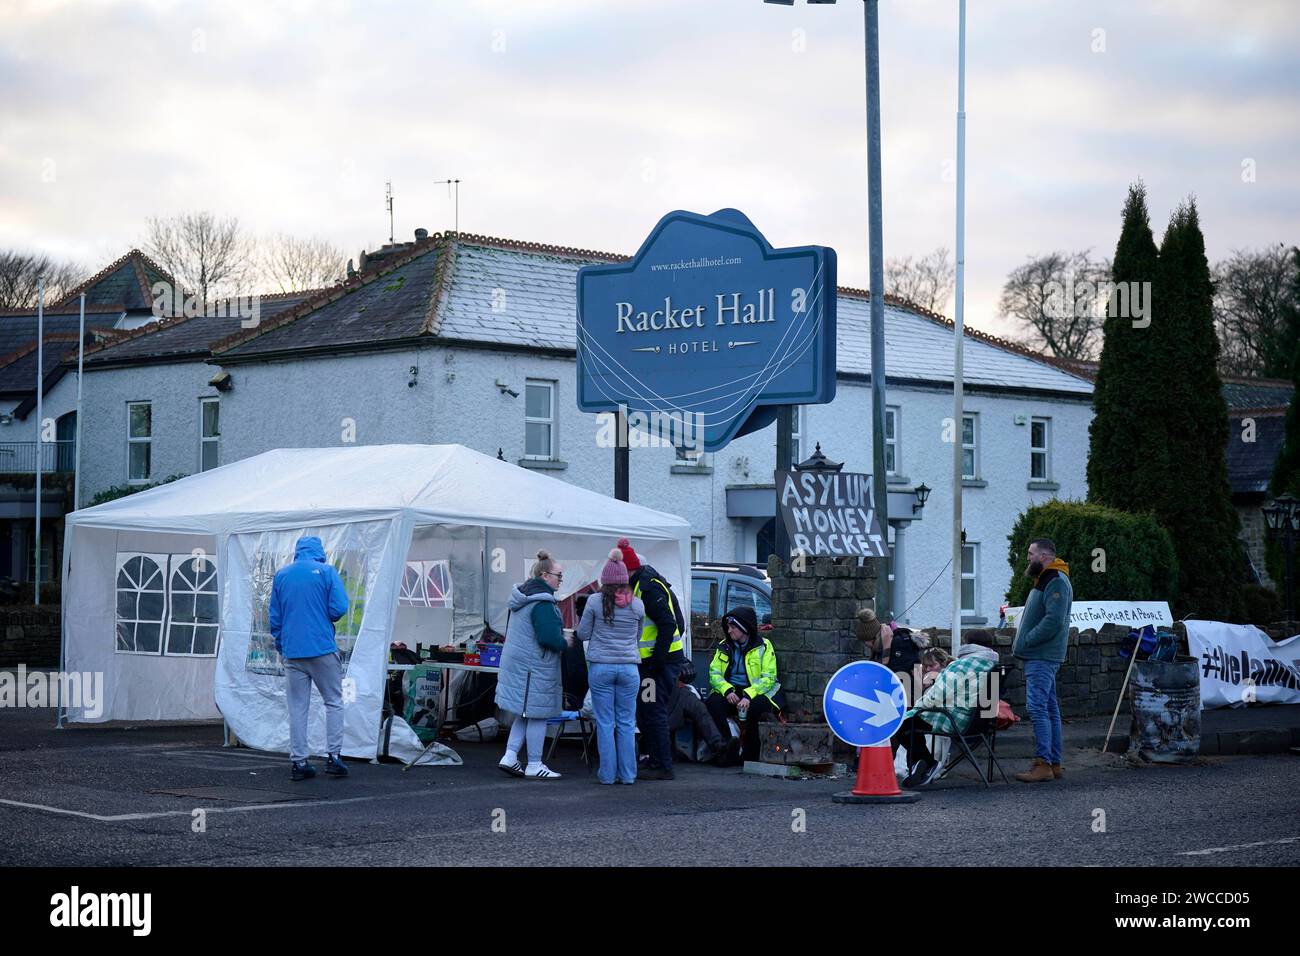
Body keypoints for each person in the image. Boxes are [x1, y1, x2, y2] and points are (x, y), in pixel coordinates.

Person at [270, 535, 351, 781]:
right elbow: (339, 608)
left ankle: (299, 761)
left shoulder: (282, 575)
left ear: (297, 551)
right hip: (322, 648)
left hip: (293, 652)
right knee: (334, 702)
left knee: (297, 708)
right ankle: (334, 757)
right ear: (319, 551)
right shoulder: (326, 571)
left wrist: (282, 645)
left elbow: (275, 617)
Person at [889, 631, 1000, 788]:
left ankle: (926, 763)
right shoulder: (993, 665)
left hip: (954, 720)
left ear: (969, 645)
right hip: (982, 723)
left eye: (963, 641)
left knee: (903, 723)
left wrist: (915, 709)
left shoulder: (961, 665)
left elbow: (936, 696)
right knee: (912, 723)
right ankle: (923, 764)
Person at [496, 550, 570, 780]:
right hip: (535, 667)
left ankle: (509, 757)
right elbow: (547, 637)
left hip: (521, 666)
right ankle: (534, 763)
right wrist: (565, 641)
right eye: (558, 575)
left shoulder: (524, 596)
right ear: (545, 575)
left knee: (524, 713)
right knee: (538, 715)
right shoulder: (543, 603)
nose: (560, 580)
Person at [617, 538, 687, 780]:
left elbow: (668, 625)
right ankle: (657, 760)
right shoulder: (642, 584)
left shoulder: (648, 588)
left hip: (659, 663)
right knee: (647, 711)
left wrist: (656, 662)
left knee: (653, 711)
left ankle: (663, 765)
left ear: (628, 569)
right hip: (653, 662)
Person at [575, 549, 644, 785]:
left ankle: (607, 775)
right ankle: (628, 775)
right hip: (629, 669)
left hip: (601, 668)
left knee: (605, 722)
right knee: (626, 723)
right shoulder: (637, 605)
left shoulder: (594, 601)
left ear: (604, 580)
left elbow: (582, 633)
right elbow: (637, 637)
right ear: (625, 579)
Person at [1012, 537, 1072, 783]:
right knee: (1049, 708)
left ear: (1044, 557)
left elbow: (1053, 620)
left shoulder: (1055, 580)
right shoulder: (1049, 577)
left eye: (1031, 554)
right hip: (1043, 655)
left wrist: (1028, 639)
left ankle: (1043, 763)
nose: (1028, 557)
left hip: (1041, 655)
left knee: (1037, 708)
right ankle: (1053, 763)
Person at [705, 605, 785, 765]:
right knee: (713, 703)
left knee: (757, 707)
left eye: (733, 627)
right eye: (728, 627)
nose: (729, 631)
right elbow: (714, 674)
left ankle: (750, 754)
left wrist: (749, 695)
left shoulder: (764, 645)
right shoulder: (724, 646)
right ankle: (727, 747)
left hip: (756, 693)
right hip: (733, 692)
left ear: (744, 628)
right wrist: (727, 691)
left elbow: (769, 678)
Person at [666, 663, 724, 763]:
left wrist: (679, 675)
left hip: (678, 689)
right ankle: (667, 752)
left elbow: (689, 669)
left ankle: (719, 747)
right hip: (659, 690)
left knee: (699, 707)